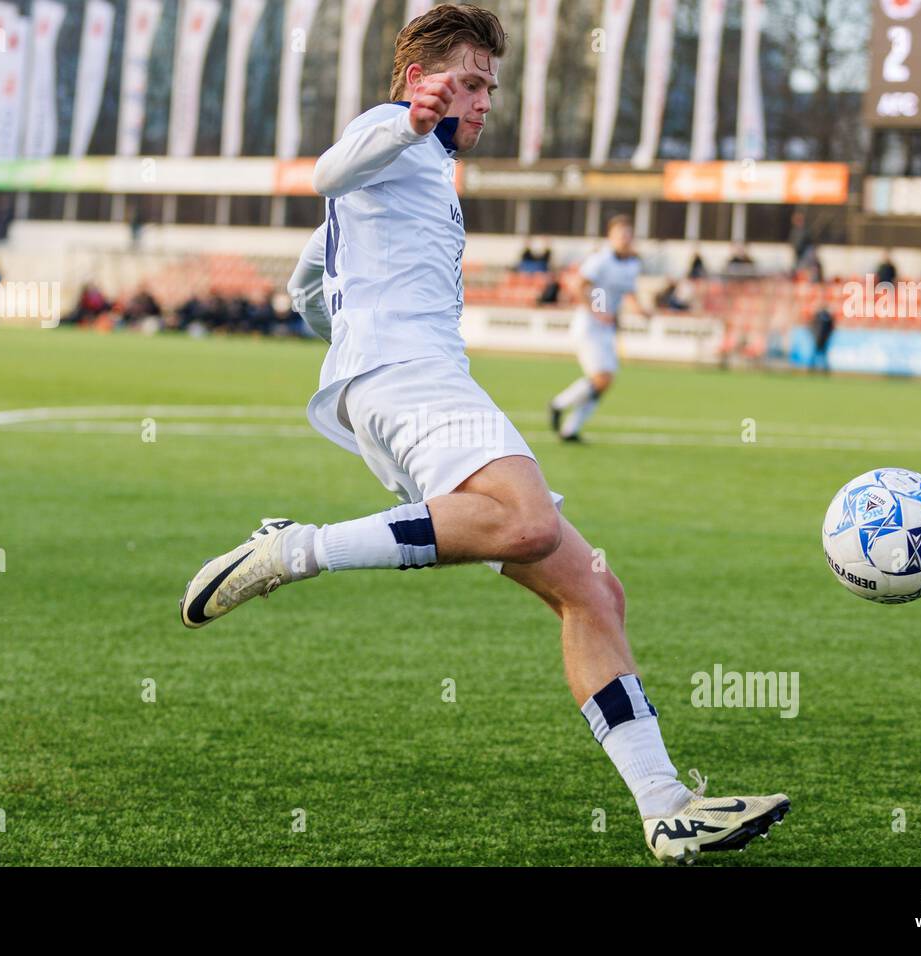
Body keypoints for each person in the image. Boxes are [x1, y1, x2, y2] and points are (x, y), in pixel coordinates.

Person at [178, 3, 788, 866]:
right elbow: (325, 171)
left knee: (592, 591)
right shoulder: (396, 129)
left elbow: (308, 282)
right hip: (413, 381)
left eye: (489, 85)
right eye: (468, 82)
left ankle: (666, 805)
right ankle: (295, 550)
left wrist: (347, 335)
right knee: (529, 521)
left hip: (395, 384)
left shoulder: (412, 169)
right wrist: (410, 120)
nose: (484, 100)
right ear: (416, 81)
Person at [547, 215, 650, 443]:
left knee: (606, 381)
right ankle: (558, 404)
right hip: (588, 325)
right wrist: (597, 310)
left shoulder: (633, 263)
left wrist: (641, 311)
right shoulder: (600, 260)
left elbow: (629, 293)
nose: (624, 238)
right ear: (610, 237)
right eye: (620, 234)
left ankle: (570, 430)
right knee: (601, 378)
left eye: (628, 234)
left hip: (606, 328)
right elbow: (577, 285)